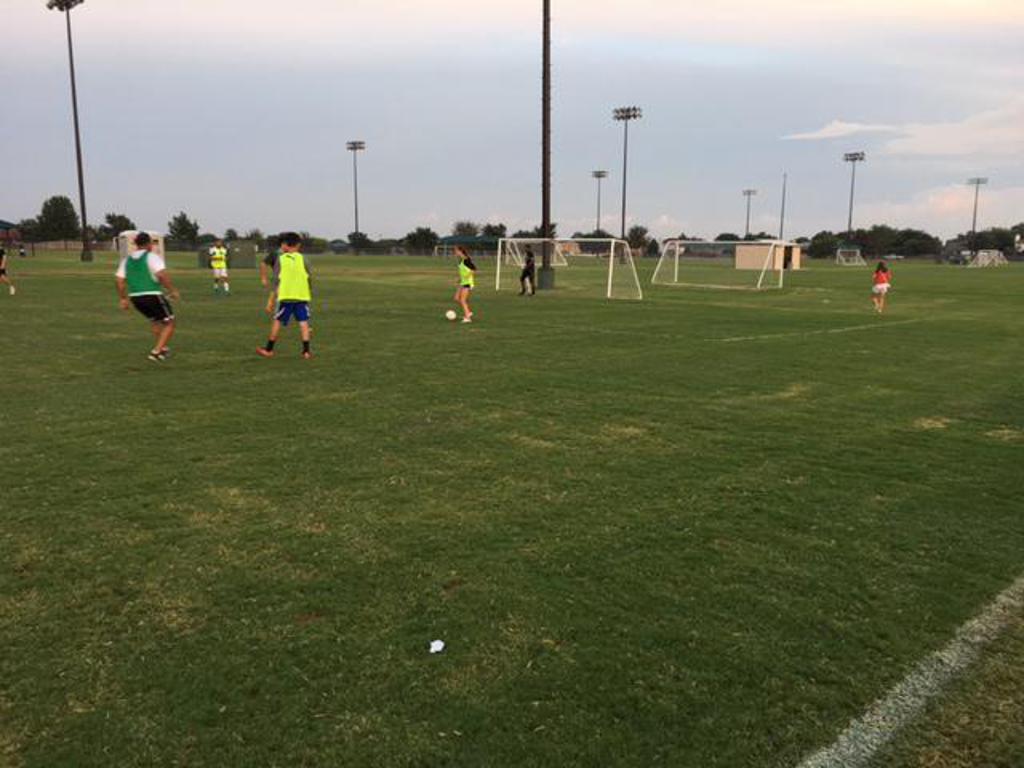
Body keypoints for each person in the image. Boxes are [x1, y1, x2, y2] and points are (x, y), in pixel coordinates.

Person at [115, 232, 180, 362]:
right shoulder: (152, 257)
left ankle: (162, 349)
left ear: (136, 244)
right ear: (149, 244)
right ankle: (156, 352)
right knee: (170, 323)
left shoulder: (126, 260)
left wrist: (123, 298)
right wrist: (172, 290)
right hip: (152, 294)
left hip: (135, 297)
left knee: (155, 320)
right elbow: (161, 275)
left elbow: (119, 280)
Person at [256, 232, 313, 359]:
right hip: (302, 296)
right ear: (298, 245)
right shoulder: (304, 259)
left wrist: (271, 299)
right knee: (304, 323)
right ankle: (306, 351)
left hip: (286, 296)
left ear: (285, 245)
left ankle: (269, 349)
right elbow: (308, 277)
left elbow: (277, 280)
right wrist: (308, 290)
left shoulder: (280, 260)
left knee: (277, 321)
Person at [453, 246, 477, 323]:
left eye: (456, 251)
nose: (455, 252)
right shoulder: (461, 260)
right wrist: (460, 279)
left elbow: (474, 269)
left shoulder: (467, 260)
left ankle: (468, 318)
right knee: (456, 298)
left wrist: (467, 276)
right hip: (463, 282)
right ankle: (468, 312)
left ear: (460, 251)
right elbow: (463, 272)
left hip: (468, 283)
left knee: (463, 300)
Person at [259, 237, 281, 314]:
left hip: (284, 278)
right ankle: (278, 314)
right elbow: (263, 263)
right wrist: (264, 278)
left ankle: (270, 306)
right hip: (280, 278)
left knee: (276, 291)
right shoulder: (276, 253)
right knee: (279, 293)